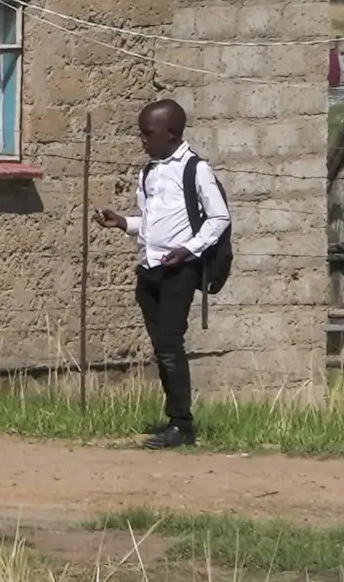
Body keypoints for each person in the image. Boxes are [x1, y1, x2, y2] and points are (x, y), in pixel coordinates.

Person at [94, 97, 228, 450]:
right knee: (162, 348)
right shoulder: (148, 171)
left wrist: (189, 249)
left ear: (170, 133)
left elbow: (219, 217)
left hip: (178, 271)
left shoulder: (195, 169)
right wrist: (123, 223)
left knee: (170, 346)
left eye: (147, 133)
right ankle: (177, 421)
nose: (142, 140)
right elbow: (151, 224)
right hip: (149, 269)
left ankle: (181, 425)